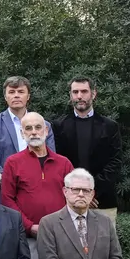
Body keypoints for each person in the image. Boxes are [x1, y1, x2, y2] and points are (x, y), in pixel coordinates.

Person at [0, 112, 73, 259]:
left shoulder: (64, 163)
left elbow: (71, 198)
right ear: (22, 133)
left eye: (38, 127)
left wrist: (56, 227)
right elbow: (7, 199)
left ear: (46, 131)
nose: (33, 132)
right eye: (28, 128)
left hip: (60, 235)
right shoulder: (13, 162)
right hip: (26, 234)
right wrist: (30, 225)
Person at [53, 79, 121, 217]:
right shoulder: (58, 126)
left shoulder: (110, 126)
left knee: (103, 239)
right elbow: (56, 164)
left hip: (102, 202)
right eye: (75, 92)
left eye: (84, 91)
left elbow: (115, 162)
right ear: (70, 95)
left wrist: (90, 192)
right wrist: (77, 194)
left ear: (93, 94)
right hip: (69, 203)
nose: (79, 96)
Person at [0, 76, 54, 167]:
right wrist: (9, 179)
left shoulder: (44, 125)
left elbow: (51, 159)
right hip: (7, 179)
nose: (16, 95)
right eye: (11, 92)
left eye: (21, 92)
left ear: (28, 96)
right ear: (5, 97)